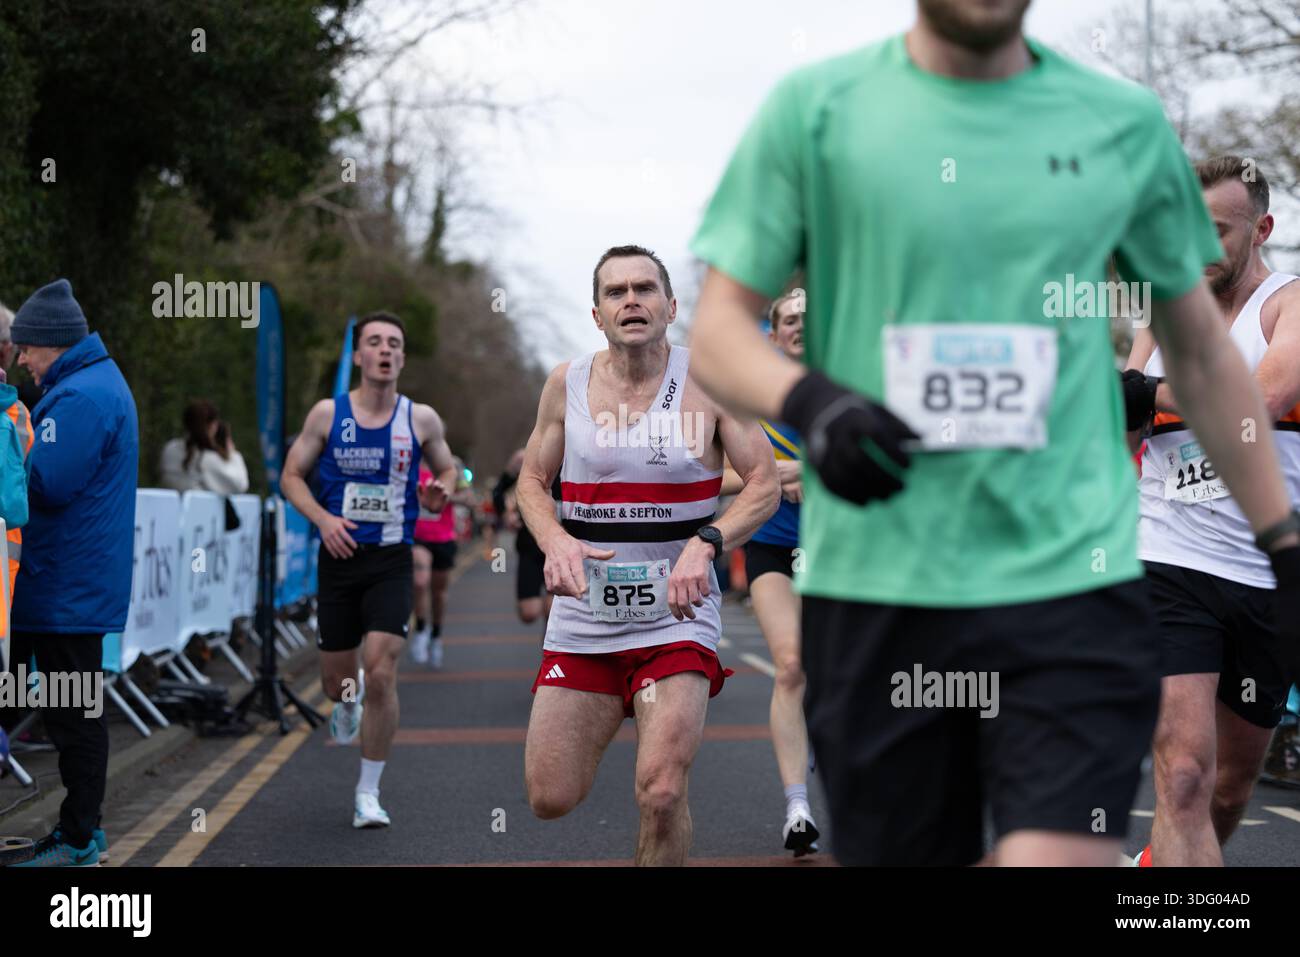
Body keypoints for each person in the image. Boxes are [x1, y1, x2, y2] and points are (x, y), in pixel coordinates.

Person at [686, 0, 1300, 866]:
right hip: (883, 584)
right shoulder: (817, 109)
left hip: (1069, 581)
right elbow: (716, 330)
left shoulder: (1118, 124)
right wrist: (815, 400)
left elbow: (1199, 349)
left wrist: (1279, 533)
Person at [518, 245, 779, 866]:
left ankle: (665, 807)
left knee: (660, 791)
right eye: (616, 292)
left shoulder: (712, 381)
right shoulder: (566, 383)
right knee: (549, 796)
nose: (631, 300)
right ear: (597, 314)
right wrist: (554, 540)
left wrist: (707, 542)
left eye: (644, 288)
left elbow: (764, 483)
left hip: (675, 618)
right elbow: (532, 481)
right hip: (586, 618)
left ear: (671, 305)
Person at [1123, 157, 1300, 867]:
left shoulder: (1288, 305)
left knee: (1228, 789)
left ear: (1262, 229)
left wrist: (1150, 394)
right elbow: (1122, 431)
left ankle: (1157, 871)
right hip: (1170, 559)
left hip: (1268, 571)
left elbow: (1256, 404)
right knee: (1186, 776)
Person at [281, 312, 456, 829]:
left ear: (402, 357)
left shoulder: (420, 419)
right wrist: (322, 519)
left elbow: (449, 470)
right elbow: (291, 476)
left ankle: (368, 793)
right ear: (359, 356)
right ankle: (346, 697)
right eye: (374, 342)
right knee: (339, 686)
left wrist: (439, 491)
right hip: (337, 557)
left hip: (391, 559)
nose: (385, 350)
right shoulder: (326, 415)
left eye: (394, 344)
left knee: (381, 670)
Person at [5, 279, 138, 867]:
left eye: (25, 349)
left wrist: (10, 446)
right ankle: (86, 831)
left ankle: (80, 836)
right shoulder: (88, 384)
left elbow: (44, 484)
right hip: (66, 583)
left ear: (51, 343)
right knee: (65, 708)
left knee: (73, 712)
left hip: (63, 585)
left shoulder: (82, 396)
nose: (22, 361)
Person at [720, 292, 818, 855]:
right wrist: (782, 474)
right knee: (789, 666)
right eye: (789, 319)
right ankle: (797, 806)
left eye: (810, 318)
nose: (800, 326)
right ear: (774, 333)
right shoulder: (748, 400)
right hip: (773, 549)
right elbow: (718, 478)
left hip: (842, 552)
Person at [410, 456, 473, 667]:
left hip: (443, 538)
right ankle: (420, 629)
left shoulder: (452, 465)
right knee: (420, 581)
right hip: (417, 536)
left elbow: (468, 497)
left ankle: (435, 635)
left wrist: (443, 497)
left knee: (439, 593)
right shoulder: (409, 460)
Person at [493, 449, 559, 633]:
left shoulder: (575, 454)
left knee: (553, 611)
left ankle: (548, 658)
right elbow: (498, 492)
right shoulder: (526, 458)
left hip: (560, 549)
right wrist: (505, 514)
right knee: (529, 613)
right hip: (529, 546)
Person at [159, 399, 250, 494]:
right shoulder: (207, 460)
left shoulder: (170, 449)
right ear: (213, 426)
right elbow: (240, 485)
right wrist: (232, 455)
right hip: (199, 508)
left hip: (170, 508)